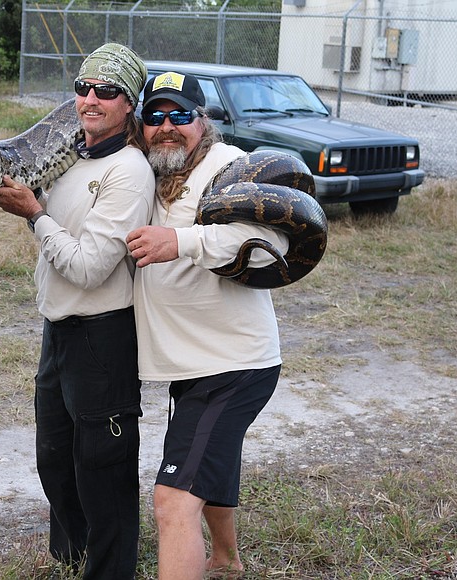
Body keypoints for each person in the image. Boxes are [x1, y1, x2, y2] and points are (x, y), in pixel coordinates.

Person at [0, 43, 156, 579]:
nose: (90, 99)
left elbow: (87, 267)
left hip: (103, 336)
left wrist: (35, 214)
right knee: (54, 457)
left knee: (103, 466)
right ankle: (72, 554)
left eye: (106, 92)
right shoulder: (74, 158)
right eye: (82, 88)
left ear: (129, 104)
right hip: (59, 330)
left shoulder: (128, 173)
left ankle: (112, 568)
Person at [126, 72, 290, 578]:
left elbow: (272, 243)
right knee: (206, 463)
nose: (167, 126)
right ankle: (225, 559)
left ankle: (220, 558)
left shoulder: (230, 167)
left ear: (204, 121)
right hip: (191, 363)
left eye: (180, 115)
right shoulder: (147, 172)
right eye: (154, 116)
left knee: (173, 501)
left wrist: (181, 241)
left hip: (235, 363)